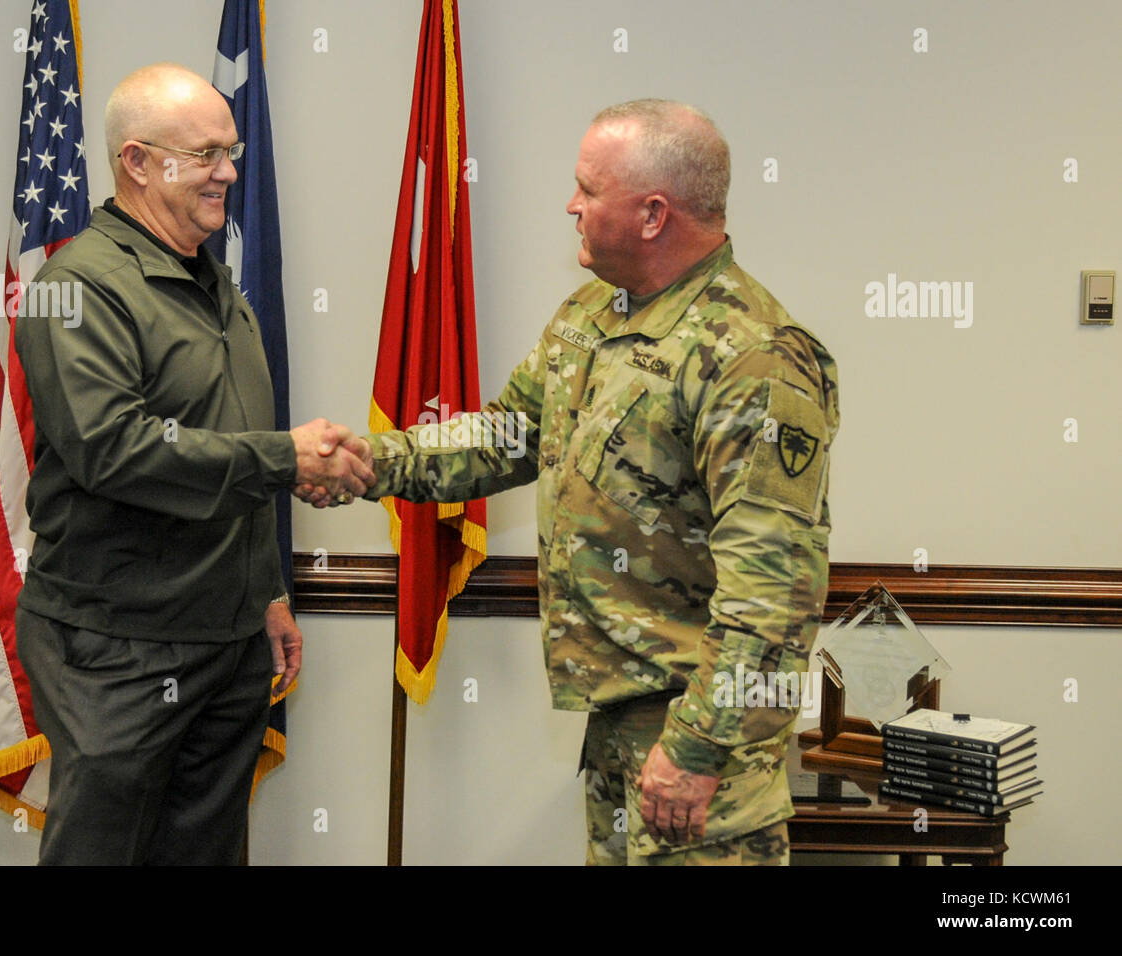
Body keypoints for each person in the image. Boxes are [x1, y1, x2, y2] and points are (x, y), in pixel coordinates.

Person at [311, 99, 840, 865]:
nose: (572, 205)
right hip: (614, 722)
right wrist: (368, 461)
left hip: (699, 744)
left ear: (653, 214)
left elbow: (776, 591)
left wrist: (695, 748)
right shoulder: (592, 314)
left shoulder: (753, 355)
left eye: (588, 189)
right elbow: (504, 435)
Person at [13, 63, 374, 865]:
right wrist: (286, 456)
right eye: (206, 153)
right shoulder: (71, 289)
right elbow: (114, 450)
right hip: (116, 648)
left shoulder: (215, 285)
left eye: (232, 150)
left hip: (226, 635)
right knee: (104, 852)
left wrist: (264, 591)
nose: (230, 172)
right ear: (138, 162)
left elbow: (216, 450)